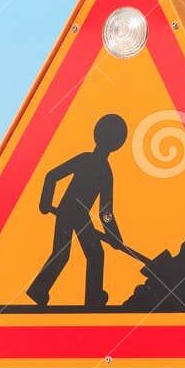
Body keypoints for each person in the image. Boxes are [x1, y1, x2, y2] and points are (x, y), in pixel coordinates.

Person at [26, 113, 128, 308]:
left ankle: (45, 290)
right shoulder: (102, 169)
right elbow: (52, 176)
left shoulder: (96, 165)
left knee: (77, 253)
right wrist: (45, 203)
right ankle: (89, 297)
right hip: (69, 212)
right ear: (117, 144)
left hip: (76, 214)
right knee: (76, 254)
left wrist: (115, 236)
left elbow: (105, 211)